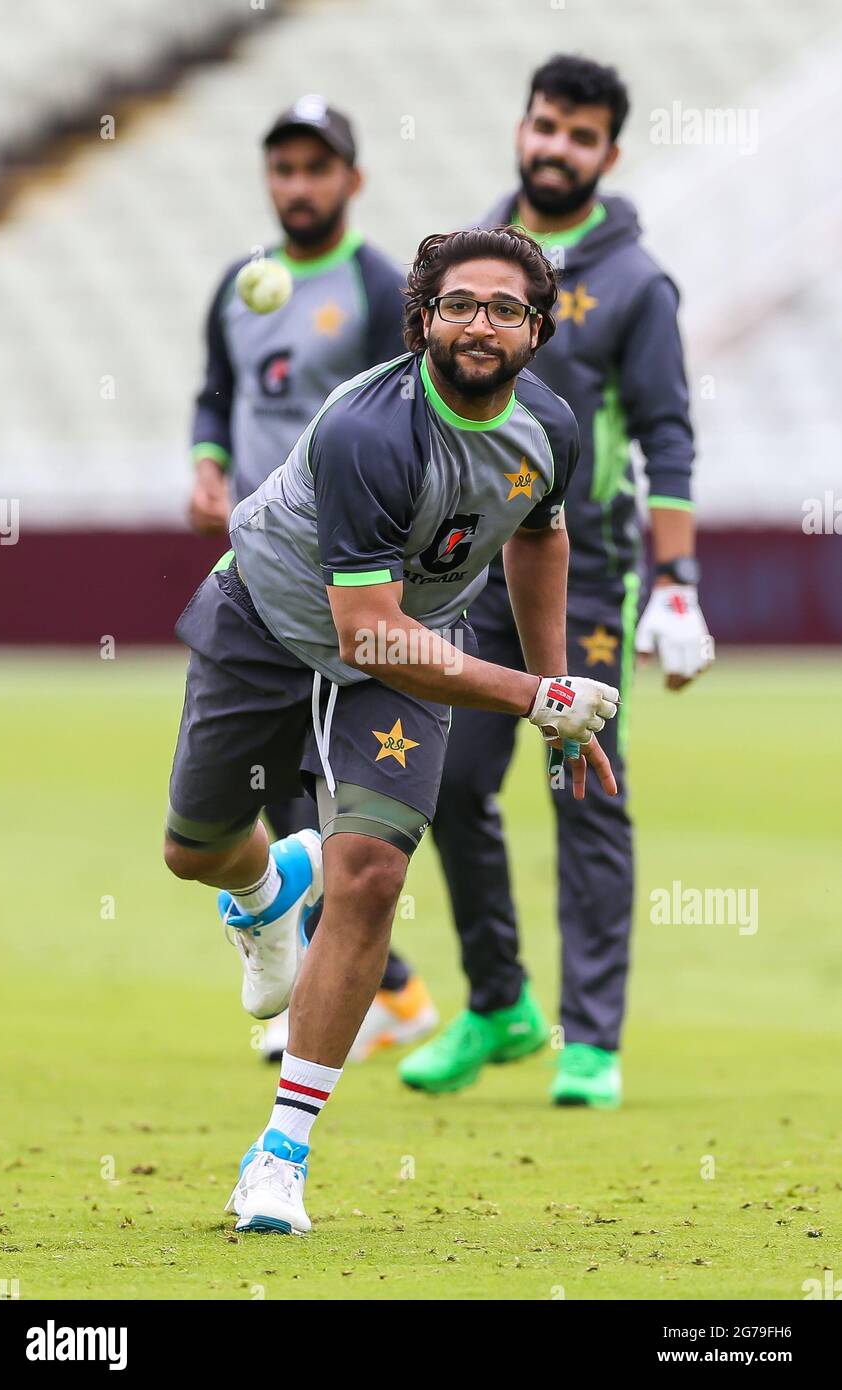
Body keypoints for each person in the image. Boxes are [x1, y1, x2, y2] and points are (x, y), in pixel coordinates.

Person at [164, 226, 620, 1234]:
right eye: (457, 303)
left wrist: (549, 679)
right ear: (421, 318)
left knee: (368, 873)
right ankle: (260, 883)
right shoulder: (368, 428)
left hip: (414, 645)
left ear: (537, 331)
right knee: (189, 849)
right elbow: (364, 633)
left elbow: (540, 535)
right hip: (272, 623)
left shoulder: (549, 427)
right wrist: (531, 697)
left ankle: (278, 1156)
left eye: (505, 308)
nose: (479, 324)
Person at [400, 56, 712, 1108]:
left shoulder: (635, 284)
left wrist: (675, 581)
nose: (554, 147)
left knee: (577, 780)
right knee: (445, 783)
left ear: (607, 155)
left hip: (583, 573)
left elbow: (666, 436)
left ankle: (592, 1039)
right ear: (522, 127)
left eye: (580, 137)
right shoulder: (470, 261)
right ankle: (499, 1000)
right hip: (461, 565)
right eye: (545, 125)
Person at [188, 94, 433, 1059]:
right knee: (286, 791)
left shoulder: (376, 286)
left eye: (316, 168)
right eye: (283, 168)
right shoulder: (238, 283)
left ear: (352, 179)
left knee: (317, 791)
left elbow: (400, 418)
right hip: (257, 566)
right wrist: (207, 460)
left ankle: (354, 994)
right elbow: (215, 392)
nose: (298, 185)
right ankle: (384, 991)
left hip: (347, 566)